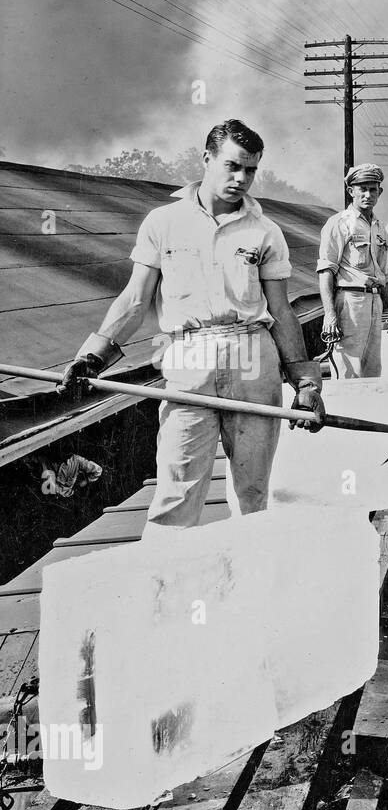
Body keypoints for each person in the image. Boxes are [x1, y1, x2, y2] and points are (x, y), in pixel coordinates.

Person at [59, 118, 324, 532]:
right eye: (232, 166)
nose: (241, 179)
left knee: (254, 493)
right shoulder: (163, 222)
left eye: (251, 170)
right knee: (176, 491)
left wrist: (306, 385)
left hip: (253, 360)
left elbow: (282, 311)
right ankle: (165, 587)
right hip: (187, 359)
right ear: (206, 159)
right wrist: (92, 356)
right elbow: (135, 299)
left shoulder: (265, 231)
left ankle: (250, 584)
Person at [318, 164, 388, 379]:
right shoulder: (339, 223)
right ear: (350, 191)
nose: (367, 194)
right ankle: (344, 413)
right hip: (350, 301)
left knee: (372, 369)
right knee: (348, 369)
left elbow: (384, 273)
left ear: (380, 192)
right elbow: (326, 270)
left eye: (373, 189)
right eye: (362, 188)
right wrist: (329, 315)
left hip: (375, 303)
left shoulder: (380, 228)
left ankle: (366, 412)